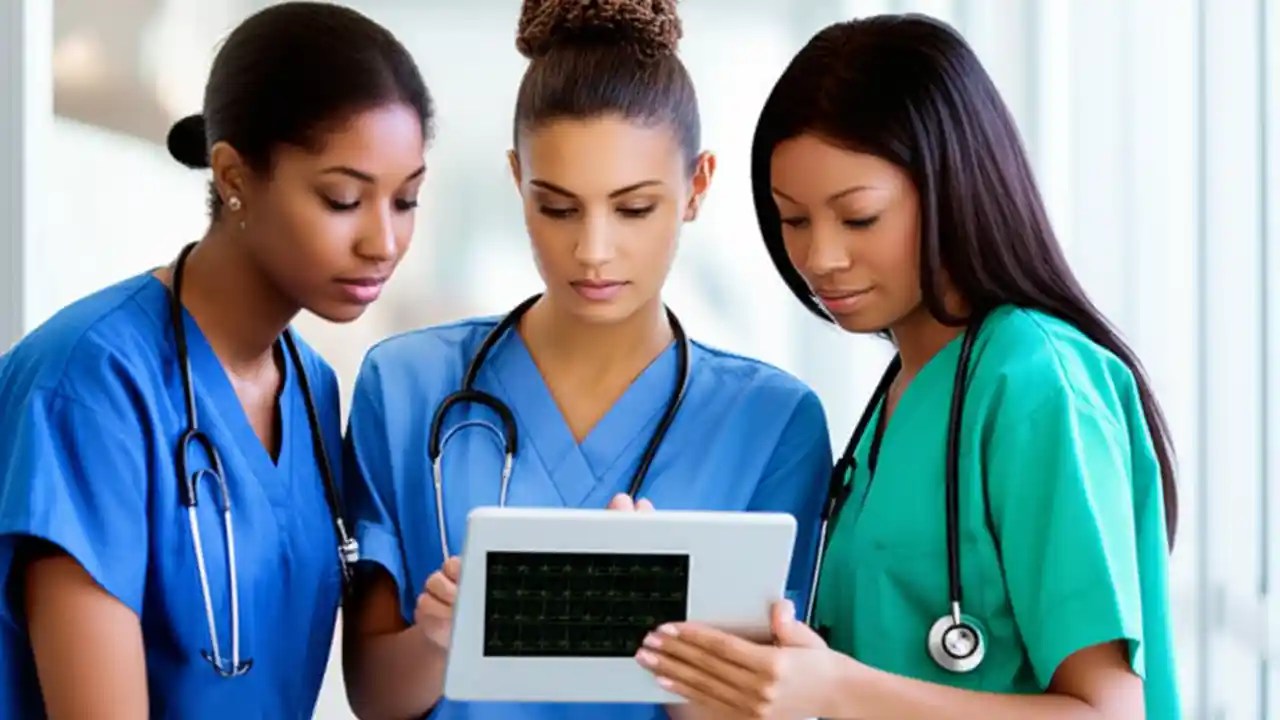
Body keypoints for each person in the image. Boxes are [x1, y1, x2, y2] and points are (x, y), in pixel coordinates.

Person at [635, 13, 1181, 720]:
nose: (819, 258)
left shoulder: (1037, 381)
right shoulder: (901, 396)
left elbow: (1108, 712)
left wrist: (831, 686)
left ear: (954, 186)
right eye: (792, 220)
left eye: (858, 218)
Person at [339, 1, 831, 719]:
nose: (593, 251)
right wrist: (442, 637)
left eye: (633, 209)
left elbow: (761, 708)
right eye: (559, 209)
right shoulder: (407, 387)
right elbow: (374, 697)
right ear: (517, 181)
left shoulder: (774, 422)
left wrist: (665, 633)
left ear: (697, 187)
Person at [0, 3, 432, 717]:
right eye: (343, 198)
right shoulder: (89, 384)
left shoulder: (313, 391)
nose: (382, 241)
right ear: (233, 175)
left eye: (407, 198)